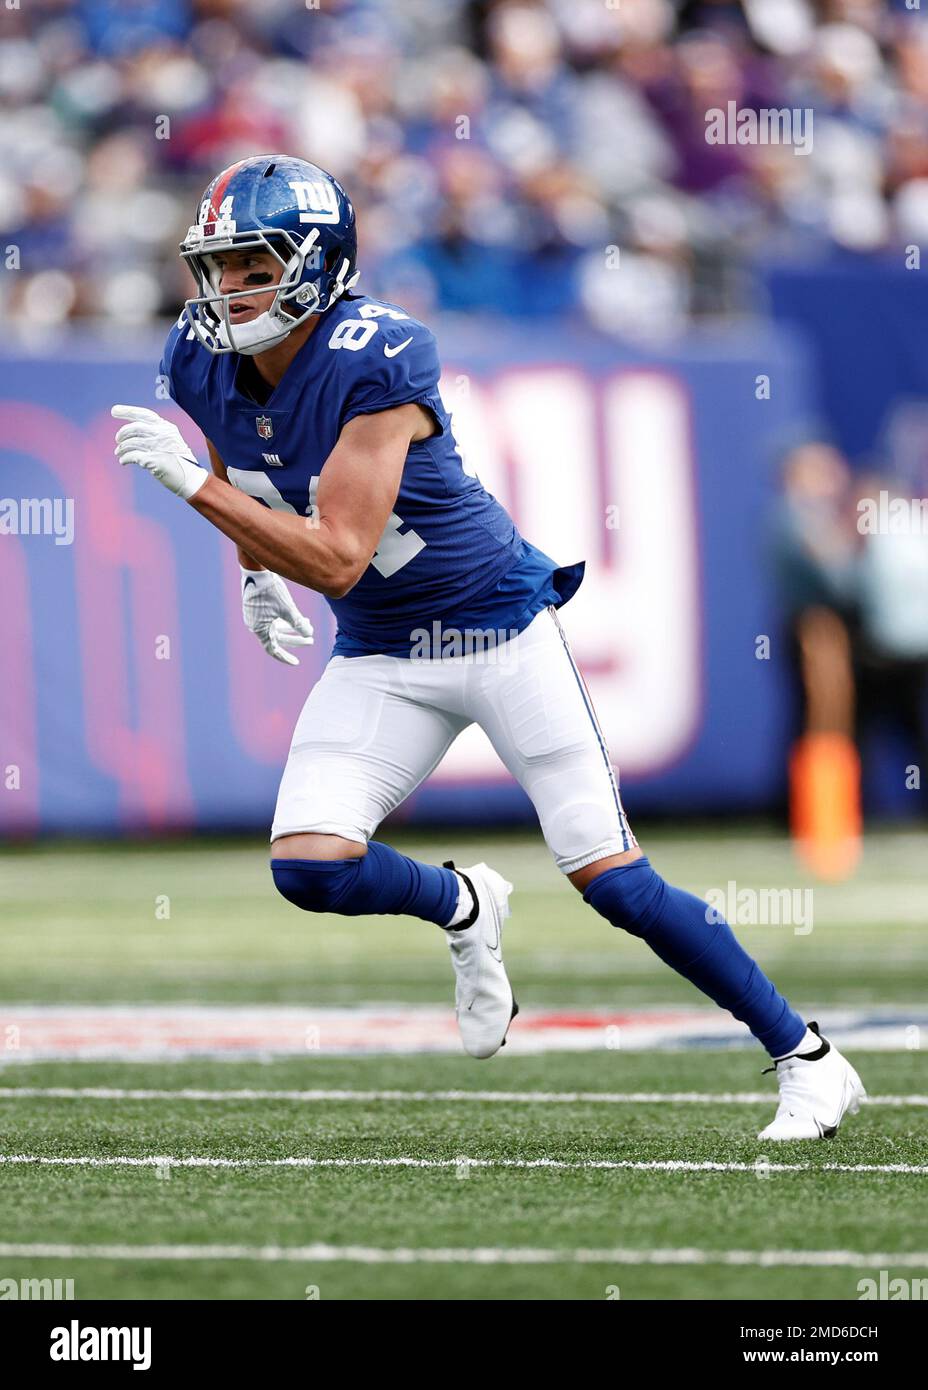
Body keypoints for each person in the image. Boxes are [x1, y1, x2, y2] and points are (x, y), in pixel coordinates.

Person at [112, 154, 864, 1139]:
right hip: (384, 649)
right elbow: (236, 448)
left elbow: (337, 555)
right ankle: (464, 903)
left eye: (255, 264)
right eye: (219, 265)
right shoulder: (201, 356)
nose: (231, 287)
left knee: (613, 880)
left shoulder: (377, 352)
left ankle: (807, 1058)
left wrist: (196, 495)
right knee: (310, 866)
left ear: (317, 262)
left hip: (493, 628)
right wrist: (252, 565)